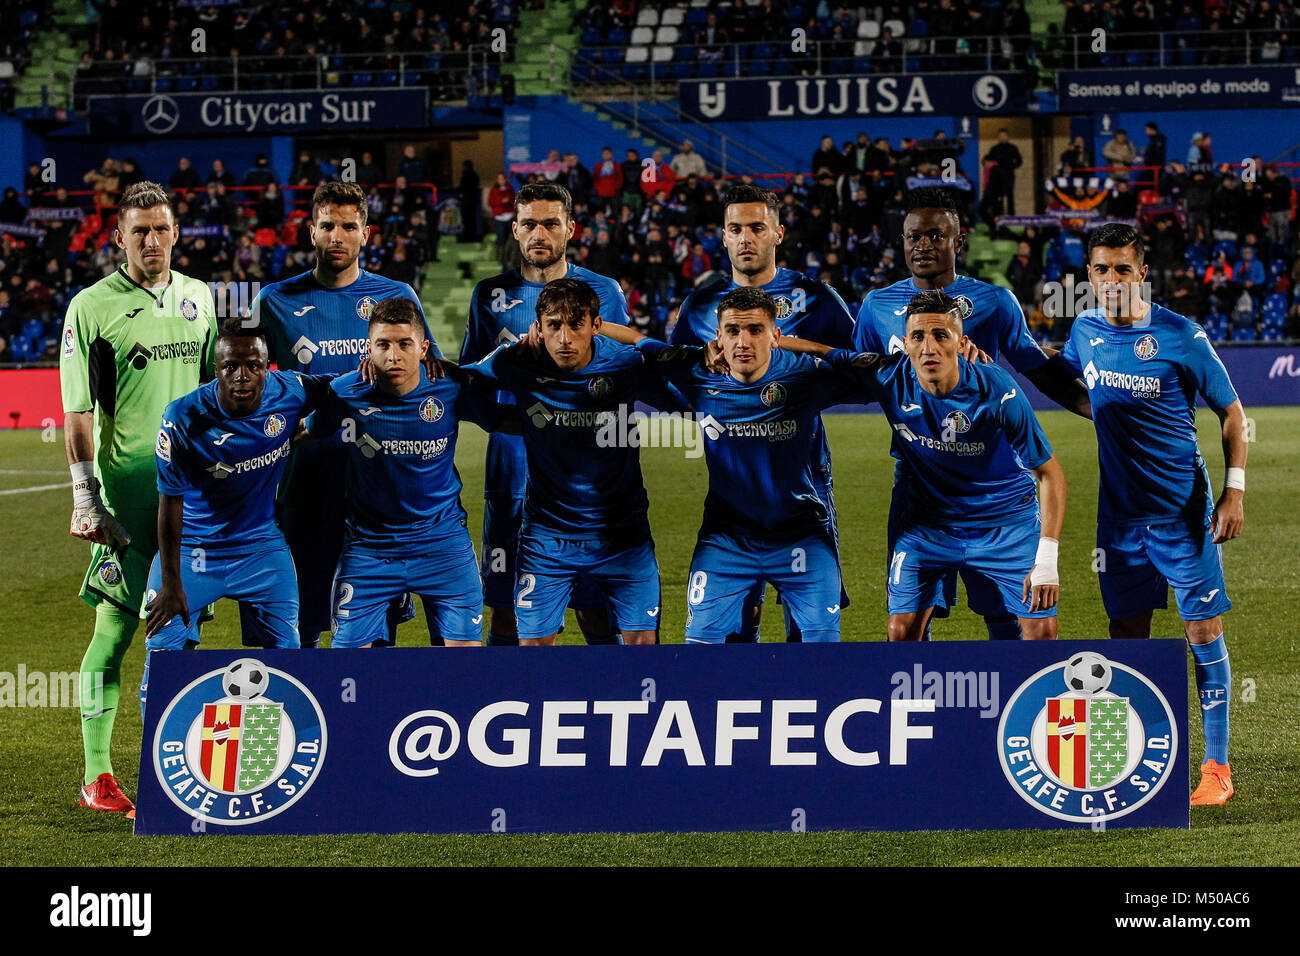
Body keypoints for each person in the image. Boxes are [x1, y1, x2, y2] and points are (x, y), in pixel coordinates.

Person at [1059, 223, 1247, 806]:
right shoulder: (1083, 330)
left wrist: (1234, 492)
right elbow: (1069, 384)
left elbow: (1232, 414)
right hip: (1118, 521)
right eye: (1101, 269)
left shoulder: (1180, 335)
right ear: (1089, 276)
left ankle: (1216, 766)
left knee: (1202, 630)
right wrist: (1099, 409)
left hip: (1183, 516)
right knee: (1127, 635)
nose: (1112, 280)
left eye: (1123, 269)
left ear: (1142, 273)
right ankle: (1133, 756)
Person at [853, 187, 1090, 642]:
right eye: (914, 237)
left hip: (994, 481)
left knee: (1004, 615)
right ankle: (919, 691)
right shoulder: (876, 307)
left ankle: (1010, 688)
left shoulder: (995, 301)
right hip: (921, 486)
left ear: (958, 241)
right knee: (907, 624)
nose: (923, 245)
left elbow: (1039, 370)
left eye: (935, 236)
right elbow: (861, 375)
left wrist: (1102, 413)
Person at [59, 181, 218, 818]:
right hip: (127, 498)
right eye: (139, 232)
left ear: (176, 232)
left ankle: (175, 769)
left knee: (181, 628)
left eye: (161, 229)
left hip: (193, 497)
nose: (152, 241)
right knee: (116, 628)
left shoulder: (200, 297)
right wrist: (85, 496)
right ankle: (96, 776)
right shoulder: (91, 307)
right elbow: (77, 412)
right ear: (119, 238)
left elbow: (211, 395)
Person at [789, 290, 1068, 640]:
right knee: (900, 631)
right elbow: (822, 350)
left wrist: (1047, 558)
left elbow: (1050, 473)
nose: (928, 347)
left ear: (961, 343)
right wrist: (756, 344)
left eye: (940, 336)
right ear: (905, 343)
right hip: (930, 526)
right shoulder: (886, 374)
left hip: (1006, 523)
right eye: (918, 336)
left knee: (1041, 633)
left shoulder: (997, 389)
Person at [244, 181, 442, 649]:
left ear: (366, 233)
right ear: (311, 231)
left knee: (374, 636)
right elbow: (241, 381)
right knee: (300, 627)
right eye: (328, 225)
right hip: (304, 483)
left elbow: (430, 379)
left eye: (349, 226)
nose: (338, 236)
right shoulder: (273, 300)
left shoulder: (396, 297)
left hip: (379, 489)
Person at [611, 288, 857, 643]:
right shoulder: (694, 369)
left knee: (821, 653)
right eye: (732, 331)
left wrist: (814, 348)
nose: (743, 342)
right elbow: (635, 339)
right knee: (700, 650)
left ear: (775, 336)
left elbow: (880, 372)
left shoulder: (807, 376)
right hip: (726, 539)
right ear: (718, 336)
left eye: (756, 330)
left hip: (801, 533)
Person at [672, 183, 856, 642]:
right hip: (735, 479)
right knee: (739, 618)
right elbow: (679, 377)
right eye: (736, 229)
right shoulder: (699, 305)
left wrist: (789, 364)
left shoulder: (815, 297)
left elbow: (855, 367)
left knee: (806, 625)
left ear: (778, 233)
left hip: (804, 476)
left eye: (757, 227)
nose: (746, 238)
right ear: (724, 236)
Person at [460, 182, 629, 647]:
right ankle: (506, 693)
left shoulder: (604, 291)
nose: (540, 233)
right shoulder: (489, 295)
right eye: (529, 223)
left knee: (595, 611)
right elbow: (471, 384)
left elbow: (621, 376)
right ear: (514, 229)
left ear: (570, 228)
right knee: (505, 612)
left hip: (584, 480)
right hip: (511, 470)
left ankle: (616, 692)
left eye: (551, 223)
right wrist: (508, 422)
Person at [464, 278, 662, 646]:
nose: (565, 338)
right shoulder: (517, 360)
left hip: (622, 536)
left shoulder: (626, 364)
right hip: (547, 537)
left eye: (575, 324)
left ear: (596, 325)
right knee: (533, 652)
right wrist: (512, 420)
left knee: (642, 651)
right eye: (554, 326)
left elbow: (690, 392)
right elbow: (463, 384)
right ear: (538, 328)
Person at [141, 321, 329, 707]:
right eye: (230, 366)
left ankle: (289, 739)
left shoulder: (291, 390)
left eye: (253, 365)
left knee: (289, 654)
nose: (242, 376)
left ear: (267, 366)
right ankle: (161, 745)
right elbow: (169, 504)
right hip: (193, 550)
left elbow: (342, 390)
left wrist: (312, 426)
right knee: (160, 654)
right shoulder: (182, 418)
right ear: (216, 369)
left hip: (261, 546)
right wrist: (172, 584)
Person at [310, 298, 500, 648]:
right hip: (370, 548)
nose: (393, 356)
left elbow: (505, 419)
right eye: (383, 345)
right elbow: (305, 432)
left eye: (404, 344)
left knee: (468, 665)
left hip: (443, 544)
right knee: (346, 667)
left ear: (423, 349)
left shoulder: (451, 386)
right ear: (368, 349)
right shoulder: (345, 392)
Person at [981, 129, 1022, 219]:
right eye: (1001, 136)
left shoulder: (1013, 148)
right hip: (997, 177)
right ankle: (999, 215)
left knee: (1010, 195)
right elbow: (988, 160)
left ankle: (1012, 216)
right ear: (998, 137)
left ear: (1008, 137)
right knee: (998, 196)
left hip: (1009, 175)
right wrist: (985, 161)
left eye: (1004, 136)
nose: (1002, 138)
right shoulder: (995, 149)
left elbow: (1019, 160)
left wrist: (1012, 166)